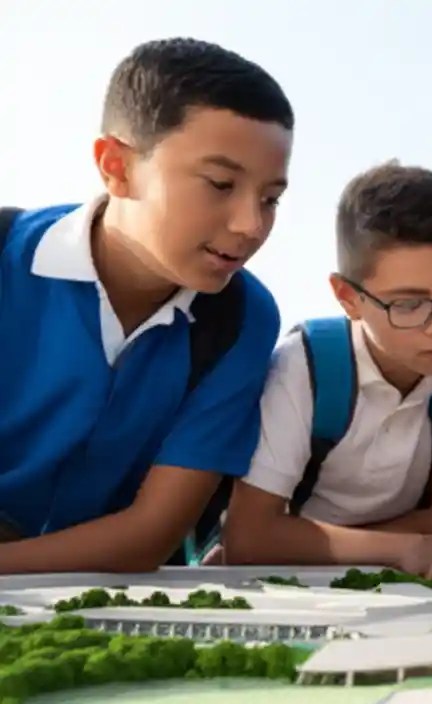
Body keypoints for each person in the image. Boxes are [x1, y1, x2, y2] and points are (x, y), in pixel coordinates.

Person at [0, 38, 290, 573]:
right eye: (221, 184)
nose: (252, 225)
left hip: (81, 616)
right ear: (116, 167)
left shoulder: (243, 318)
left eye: (271, 198)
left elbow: (148, 536)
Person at [220, 162, 432, 577]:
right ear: (347, 297)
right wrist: (406, 548)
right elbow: (249, 538)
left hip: (375, 580)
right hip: (293, 587)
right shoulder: (305, 366)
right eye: (407, 305)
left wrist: (300, 542)